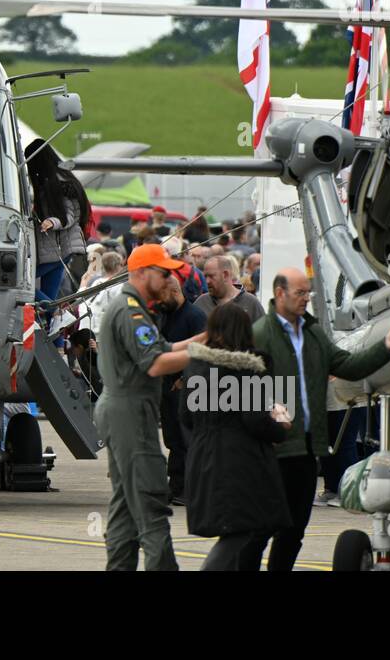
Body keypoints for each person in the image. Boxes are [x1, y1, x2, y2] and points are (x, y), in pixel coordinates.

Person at [244, 268, 390, 571]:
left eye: (308, 292)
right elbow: (245, 390)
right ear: (280, 294)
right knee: (260, 529)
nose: (306, 298)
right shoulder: (260, 335)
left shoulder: (313, 333)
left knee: (294, 531)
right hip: (273, 450)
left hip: (308, 449)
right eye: (300, 293)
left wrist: (386, 347)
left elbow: (348, 365)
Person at [94, 244, 199, 570]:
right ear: (141, 273)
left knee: (126, 506)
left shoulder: (133, 307)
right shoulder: (130, 311)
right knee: (152, 504)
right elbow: (155, 362)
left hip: (123, 410)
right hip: (130, 416)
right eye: (163, 272)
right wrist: (204, 352)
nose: (169, 278)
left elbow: (163, 347)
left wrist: (207, 338)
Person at [181, 304, 292, 570]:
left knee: (232, 528)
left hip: (203, 456)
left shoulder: (195, 367)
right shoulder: (247, 369)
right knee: (240, 531)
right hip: (239, 461)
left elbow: (185, 416)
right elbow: (255, 419)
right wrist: (281, 426)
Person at [155, 253, 208, 503]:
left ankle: (188, 488)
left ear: (175, 292)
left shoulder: (194, 316)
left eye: (162, 296)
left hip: (188, 389)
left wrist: (186, 378)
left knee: (186, 440)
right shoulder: (166, 314)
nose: (159, 301)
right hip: (168, 389)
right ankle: (176, 485)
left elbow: (204, 351)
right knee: (173, 440)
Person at [25, 139, 91, 302]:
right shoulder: (61, 179)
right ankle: (51, 320)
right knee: (49, 294)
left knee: (23, 284)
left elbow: (69, 215)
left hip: (57, 249)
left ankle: (54, 312)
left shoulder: (57, 183)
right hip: (61, 250)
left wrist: (51, 222)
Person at [196, 253, 265, 323]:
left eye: (211, 276)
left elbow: (263, 331)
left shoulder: (251, 303)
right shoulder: (202, 302)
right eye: (205, 276)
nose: (207, 281)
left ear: (225, 275)